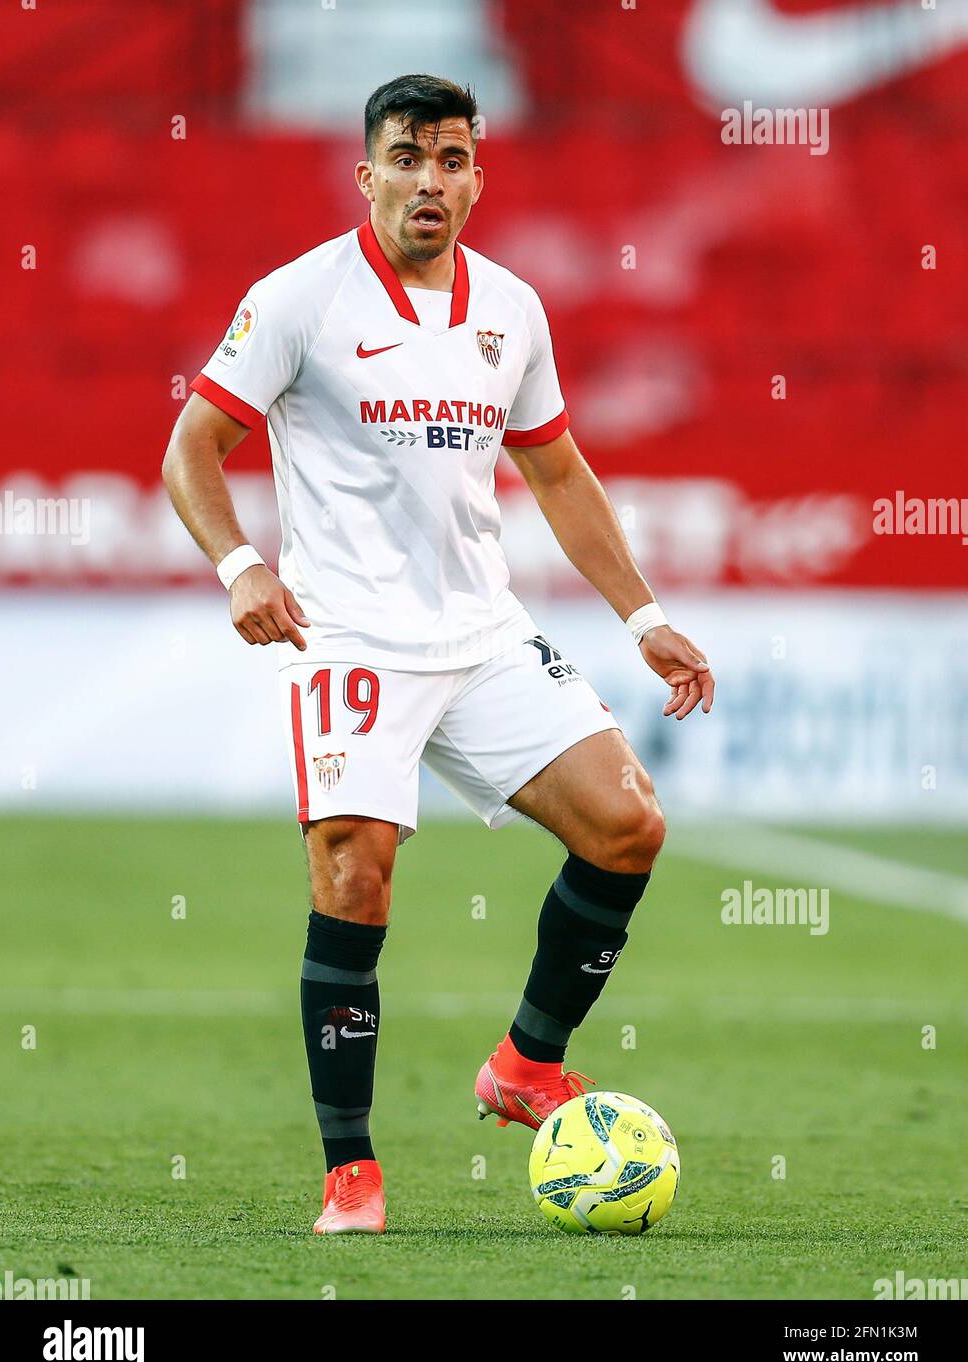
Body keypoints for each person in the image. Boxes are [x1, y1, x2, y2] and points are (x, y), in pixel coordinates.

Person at [162, 73, 714, 1235]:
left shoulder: (512, 307)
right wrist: (238, 566)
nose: (431, 179)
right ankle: (350, 1172)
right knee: (356, 870)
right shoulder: (300, 299)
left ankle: (526, 1063)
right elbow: (191, 445)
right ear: (366, 174)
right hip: (347, 633)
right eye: (408, 157)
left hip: (483, 631)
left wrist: (643, 615)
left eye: (453, 158)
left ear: (478, 175)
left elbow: (557, 469)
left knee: (629, 822)